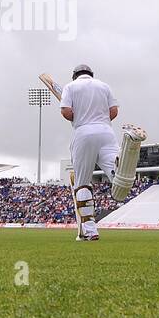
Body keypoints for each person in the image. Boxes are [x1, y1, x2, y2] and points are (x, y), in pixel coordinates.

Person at [59, 63, 119, 242]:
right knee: (117, 171)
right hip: (107, 133)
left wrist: (79, 116)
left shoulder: (70, 87)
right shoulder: (104, 86)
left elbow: (66, 112)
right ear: (91, 74)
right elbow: (113, 112)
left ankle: (91, 231)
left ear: (75, 75)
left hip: (83, 132)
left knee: (82, 183)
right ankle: (119, 175)